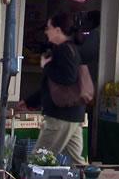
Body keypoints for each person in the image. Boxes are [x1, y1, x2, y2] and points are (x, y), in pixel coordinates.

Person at [25, 13, 87, 166]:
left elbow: (67, 78)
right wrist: (29, 101)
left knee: (38, 159)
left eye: (49, 28)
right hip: (73, 115)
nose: (46, 32)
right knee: (76, 162)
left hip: (60, 116)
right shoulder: (71, 49)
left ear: (58, 30)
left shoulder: (63, 50)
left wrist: (46, 67)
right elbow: (52, 86)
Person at [76, 10, 101, 159]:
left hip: (89, 81)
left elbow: (85, 54)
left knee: (87, 116)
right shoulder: (95, 34)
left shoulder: (95, 35)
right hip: (91, 80)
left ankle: (89, 149)